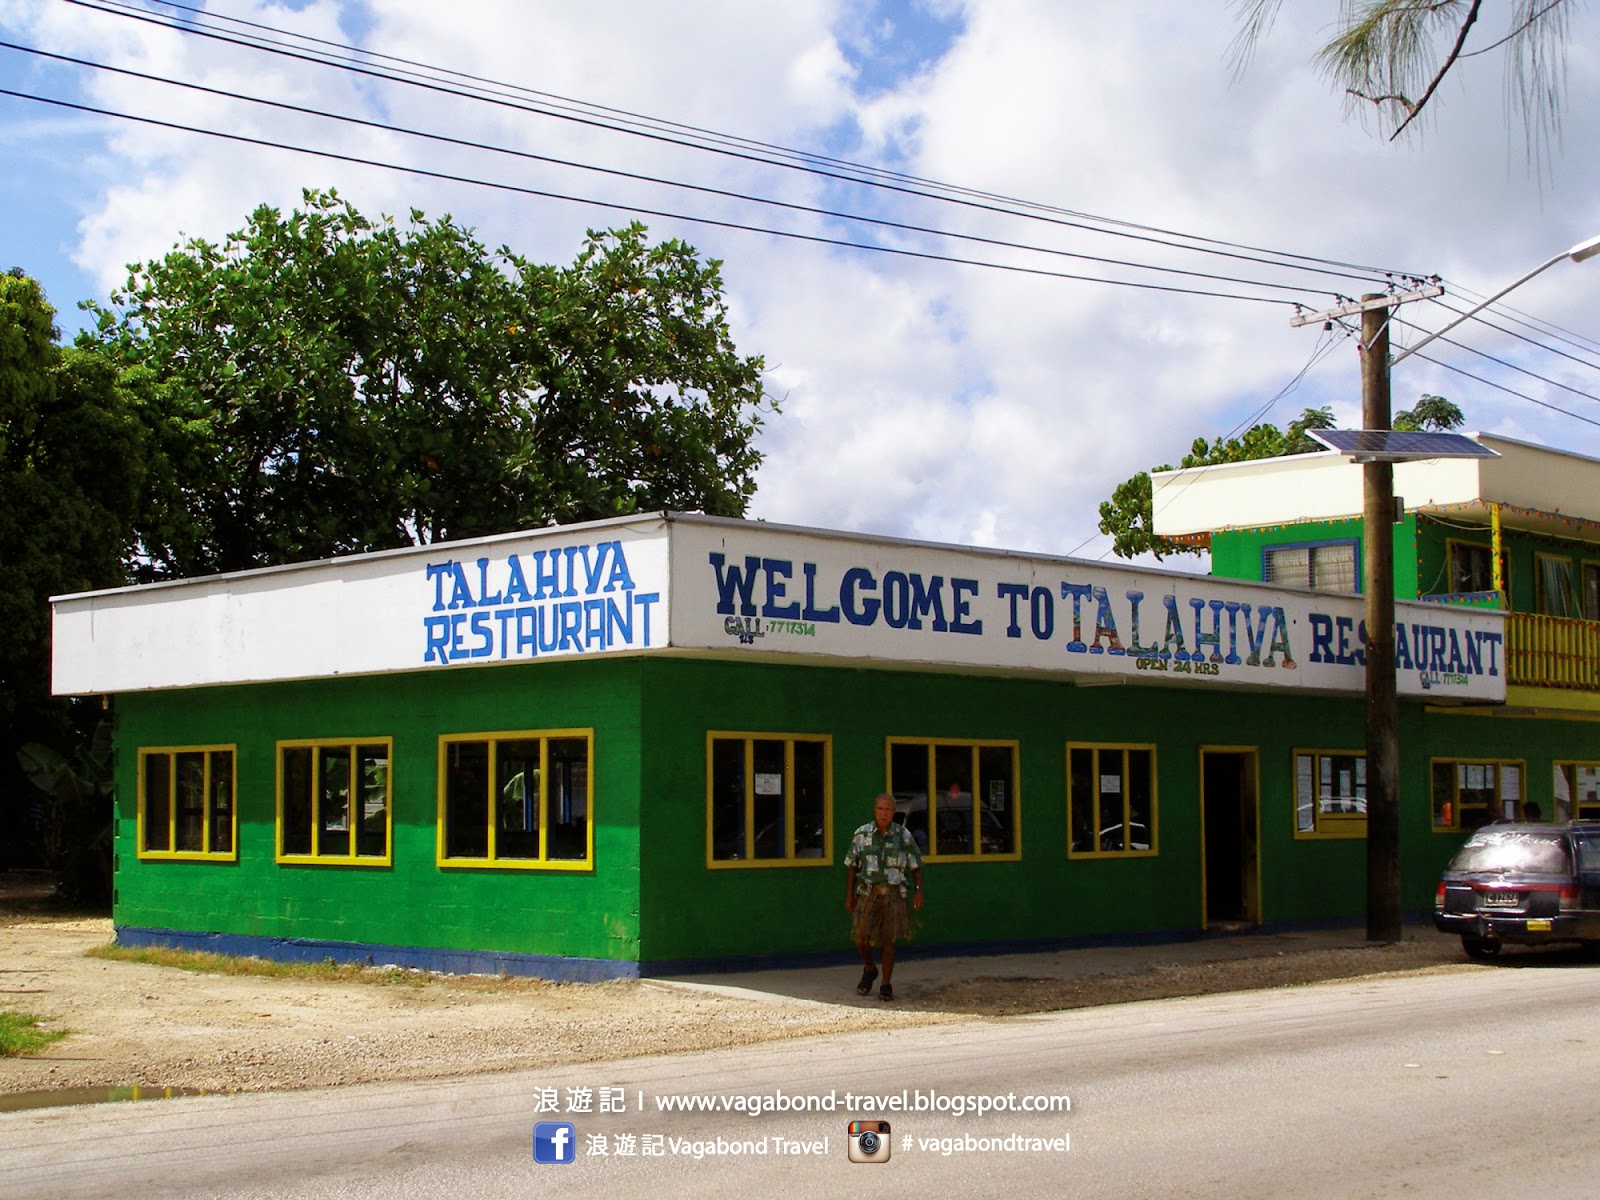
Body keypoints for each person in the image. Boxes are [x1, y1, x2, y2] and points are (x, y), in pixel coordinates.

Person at [844, 793, 923, 1002]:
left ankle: (886, 984)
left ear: (893, 812)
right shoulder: (861, 834)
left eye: (888, 810)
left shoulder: (903, 836)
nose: (883, 813)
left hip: (893, 894)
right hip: (867, 893)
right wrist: (849, 896)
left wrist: (918, 890)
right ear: (874, 810)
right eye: (880, 809)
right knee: (861, 938)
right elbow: (851, 867)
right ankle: (869, 968)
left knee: (888, 941)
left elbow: (916, 866)